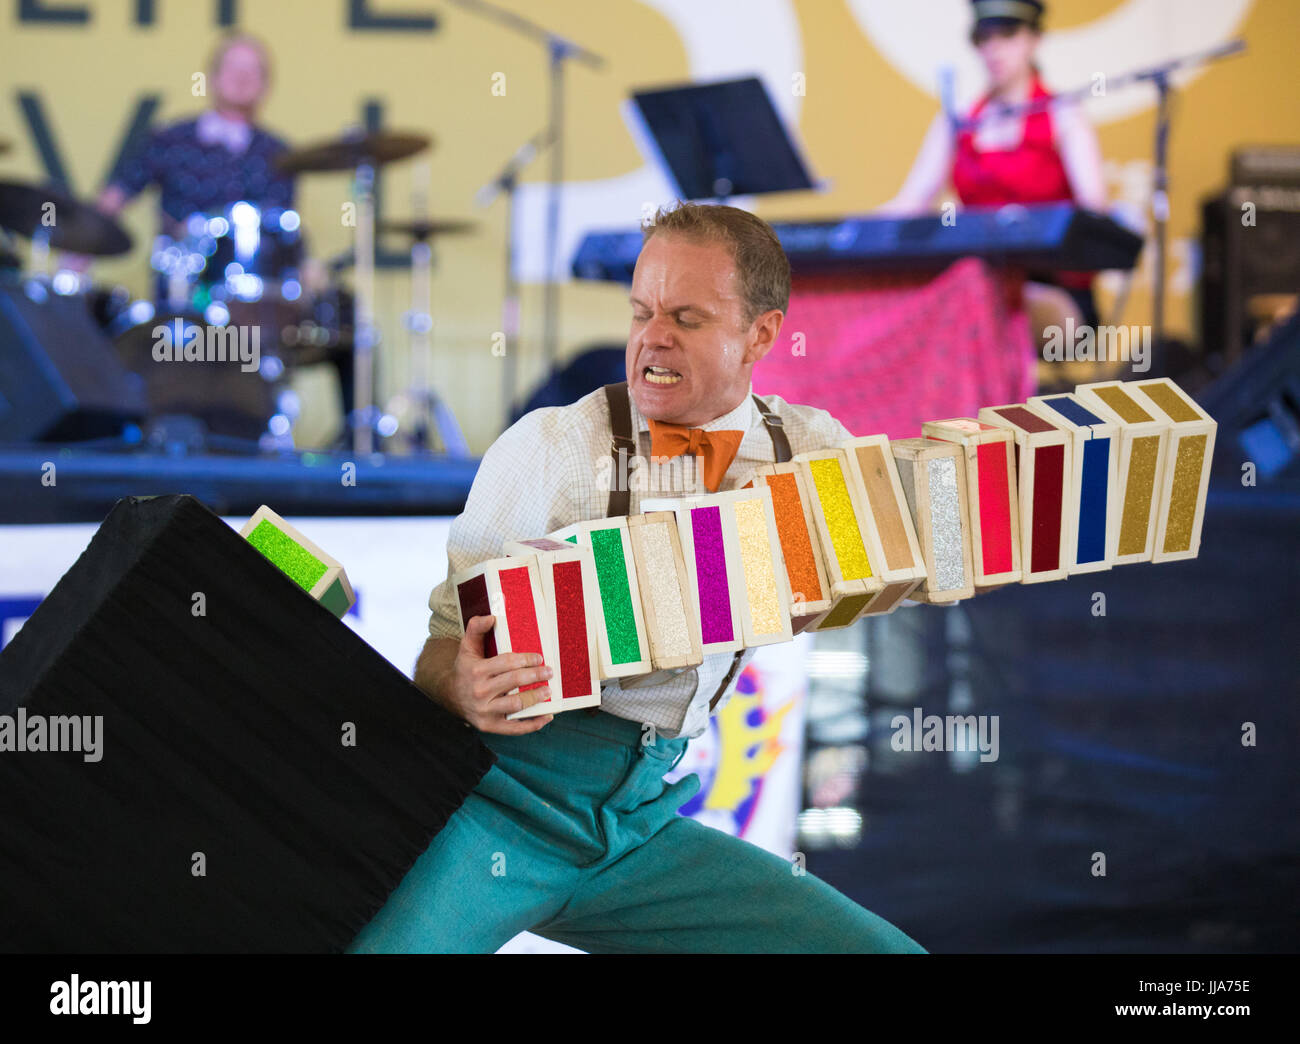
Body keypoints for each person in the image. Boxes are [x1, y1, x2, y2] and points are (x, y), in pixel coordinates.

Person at [346, 202, 927, 954]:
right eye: (642, 311)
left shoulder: (812, 451)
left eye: (687, 316)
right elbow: (439, 651)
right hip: (503, 807)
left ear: (761, 335)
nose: (653, 337)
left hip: (640, 822)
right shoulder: (553, 449)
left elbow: (906, 559)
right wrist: (460, 683)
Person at [879, 0, 1107, 330]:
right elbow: (911, 202)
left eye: (1008, 34)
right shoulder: (958, 122)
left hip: (1058, 293)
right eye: (983, 38)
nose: (994, 48)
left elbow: (1094, 209)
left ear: (1035, 39)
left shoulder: (1063, 115)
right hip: (977, 283)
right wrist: (841, 236)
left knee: (965, 296)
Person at [96, 33, 295, 234]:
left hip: (252, 262)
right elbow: (119, 192)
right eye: (233, 67)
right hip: (179, 260)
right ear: (211, 78)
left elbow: (284, 232)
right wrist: (83, 244)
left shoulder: (279, 154)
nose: (242, 77)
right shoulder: (172, 138)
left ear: (266, 85)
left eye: (253, 70)